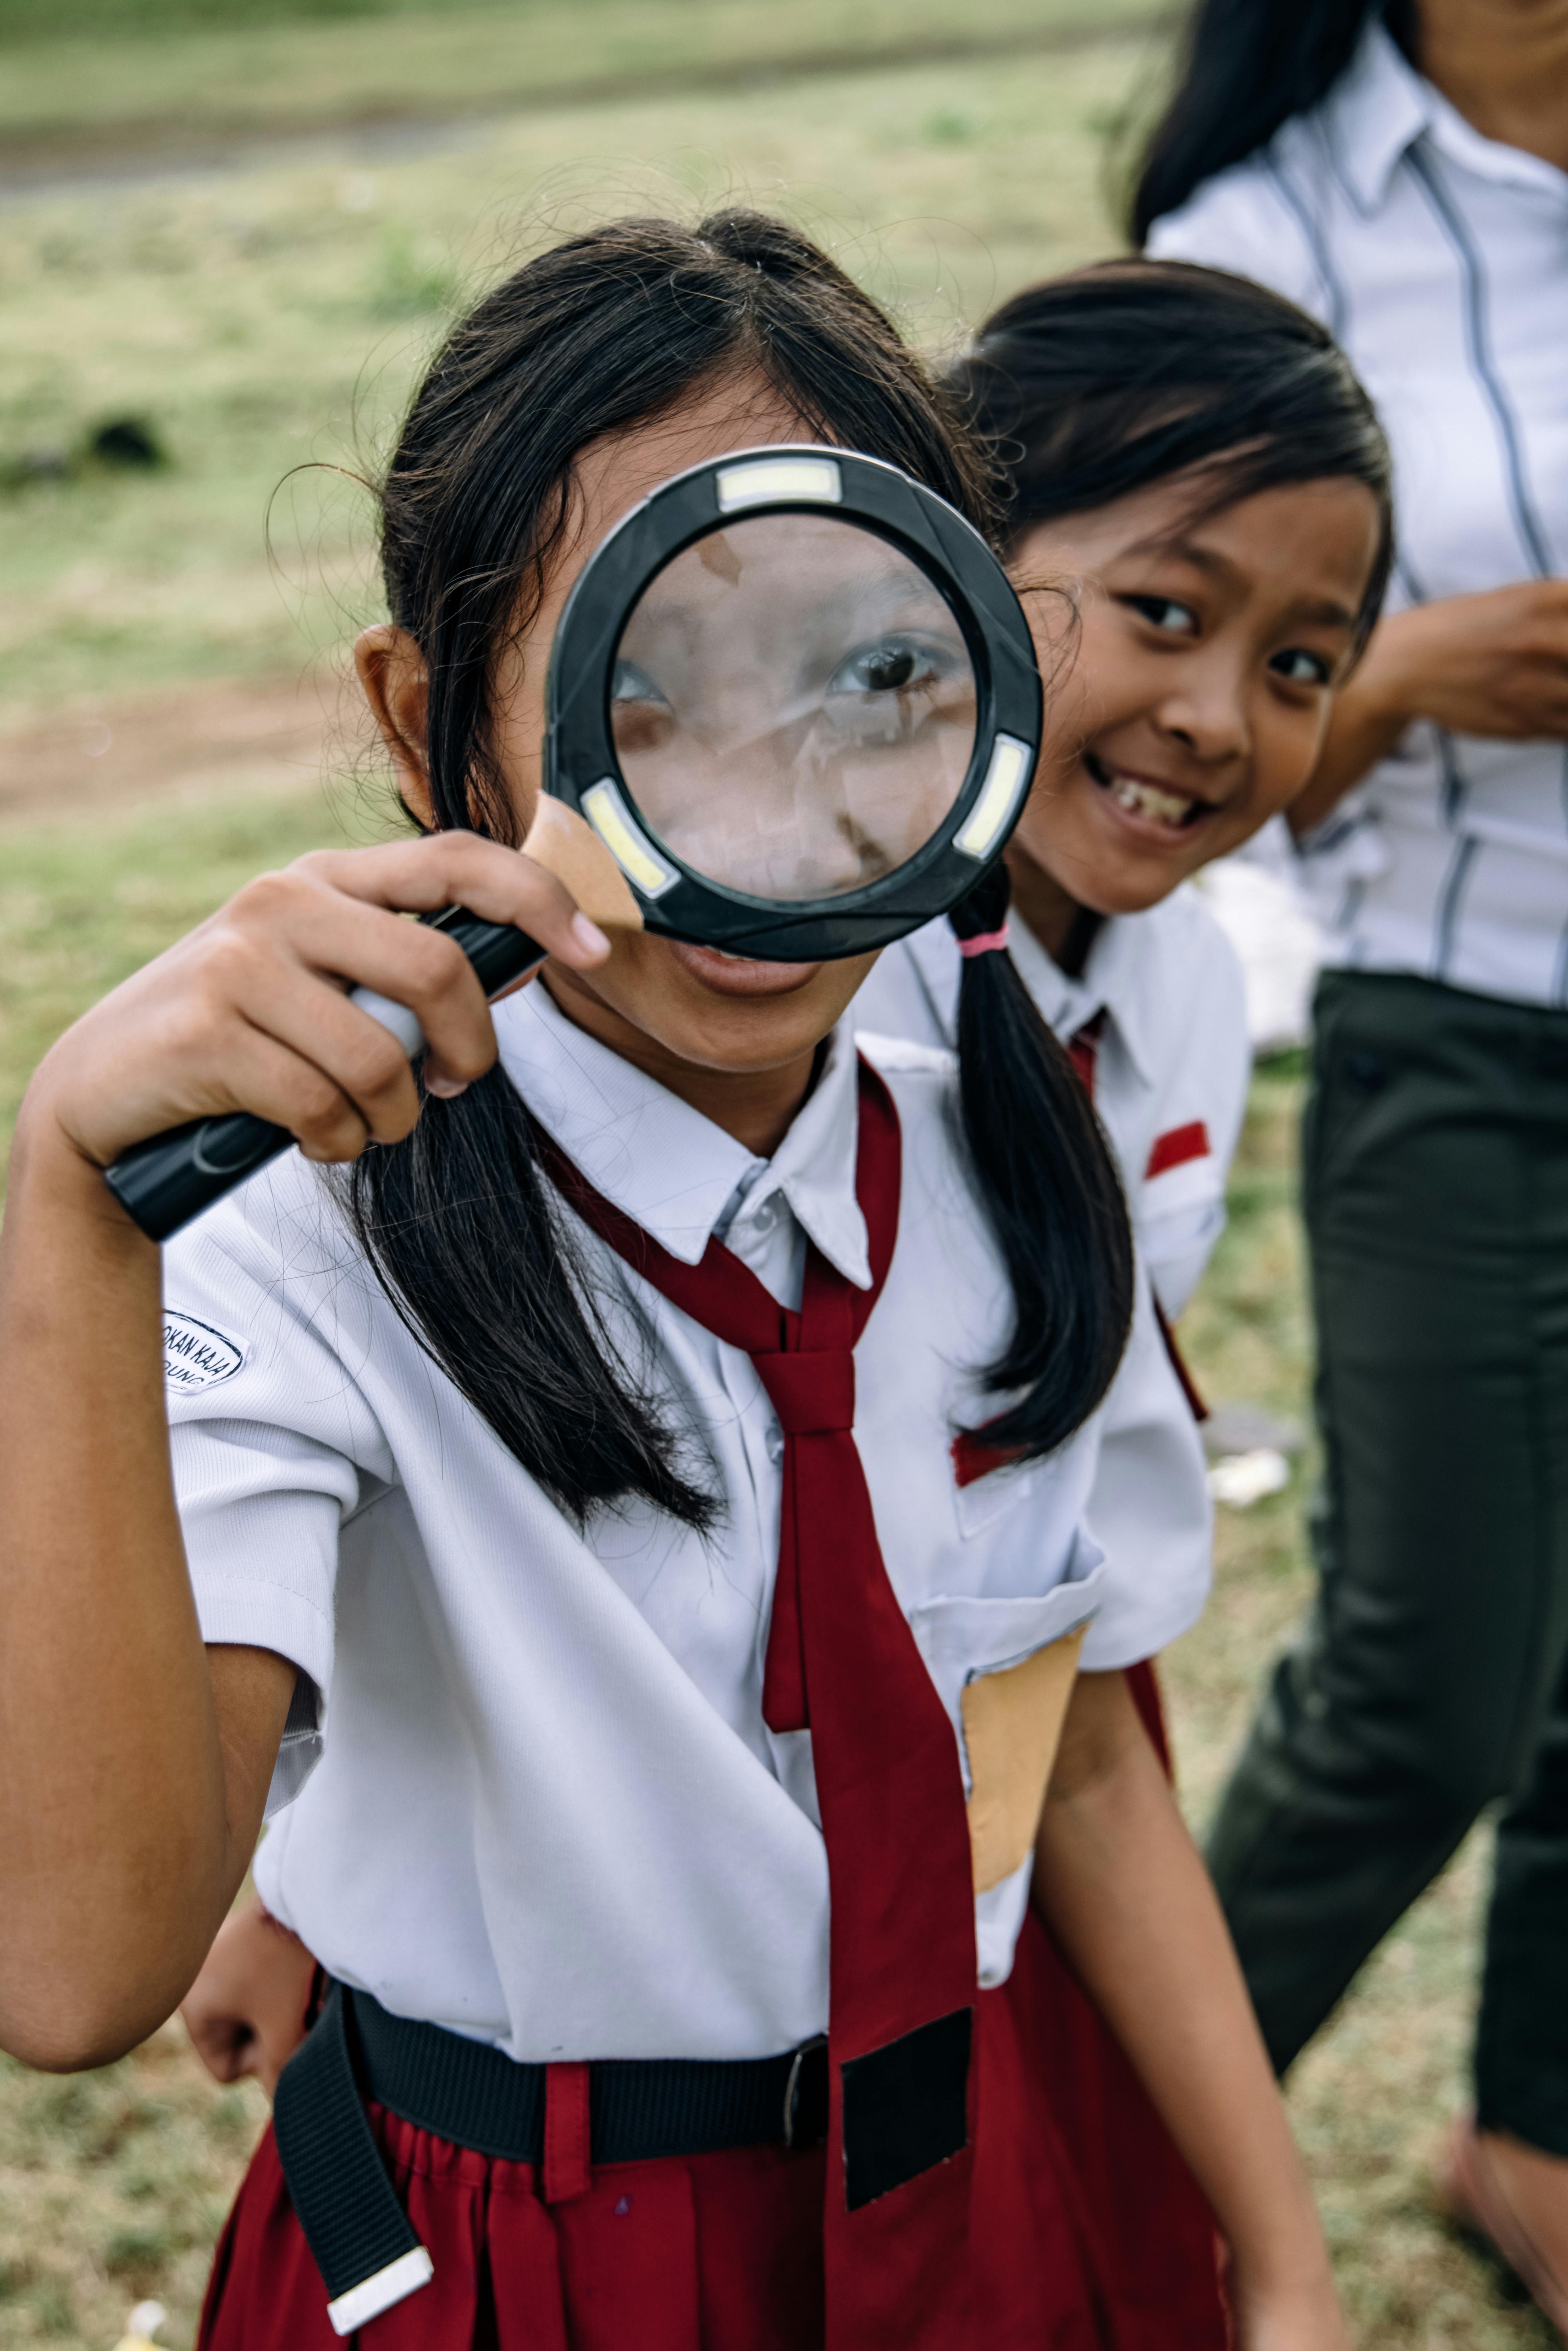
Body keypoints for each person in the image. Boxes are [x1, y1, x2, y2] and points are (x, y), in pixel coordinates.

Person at [0, 211, 1352, 2351]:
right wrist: (69, 1220)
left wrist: (1277, 2264)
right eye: (652, 697)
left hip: (961, 2196)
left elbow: (1074, 1754)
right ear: (432, 715)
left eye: (870, 676)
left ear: (983, 687)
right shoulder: (296, 1229)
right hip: (516, 2267)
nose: (774, 803)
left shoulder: (1003, 1137)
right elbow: (70, 1972)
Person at [853, 253, 1393, 2332]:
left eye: (1302, 661)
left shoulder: (1176, 977)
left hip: (1040, 1714)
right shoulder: (790, 973)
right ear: (954, 558)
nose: (1216, 713)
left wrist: (1284, 2250)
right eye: (1166, 611)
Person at [1140, 0, 1568, 2322]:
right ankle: (1119, 2169)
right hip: (1458, 1026)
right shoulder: (1262, 232)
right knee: (1429, 1680)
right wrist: (1402, 670)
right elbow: (1136, 713)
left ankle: (1536, 2134)